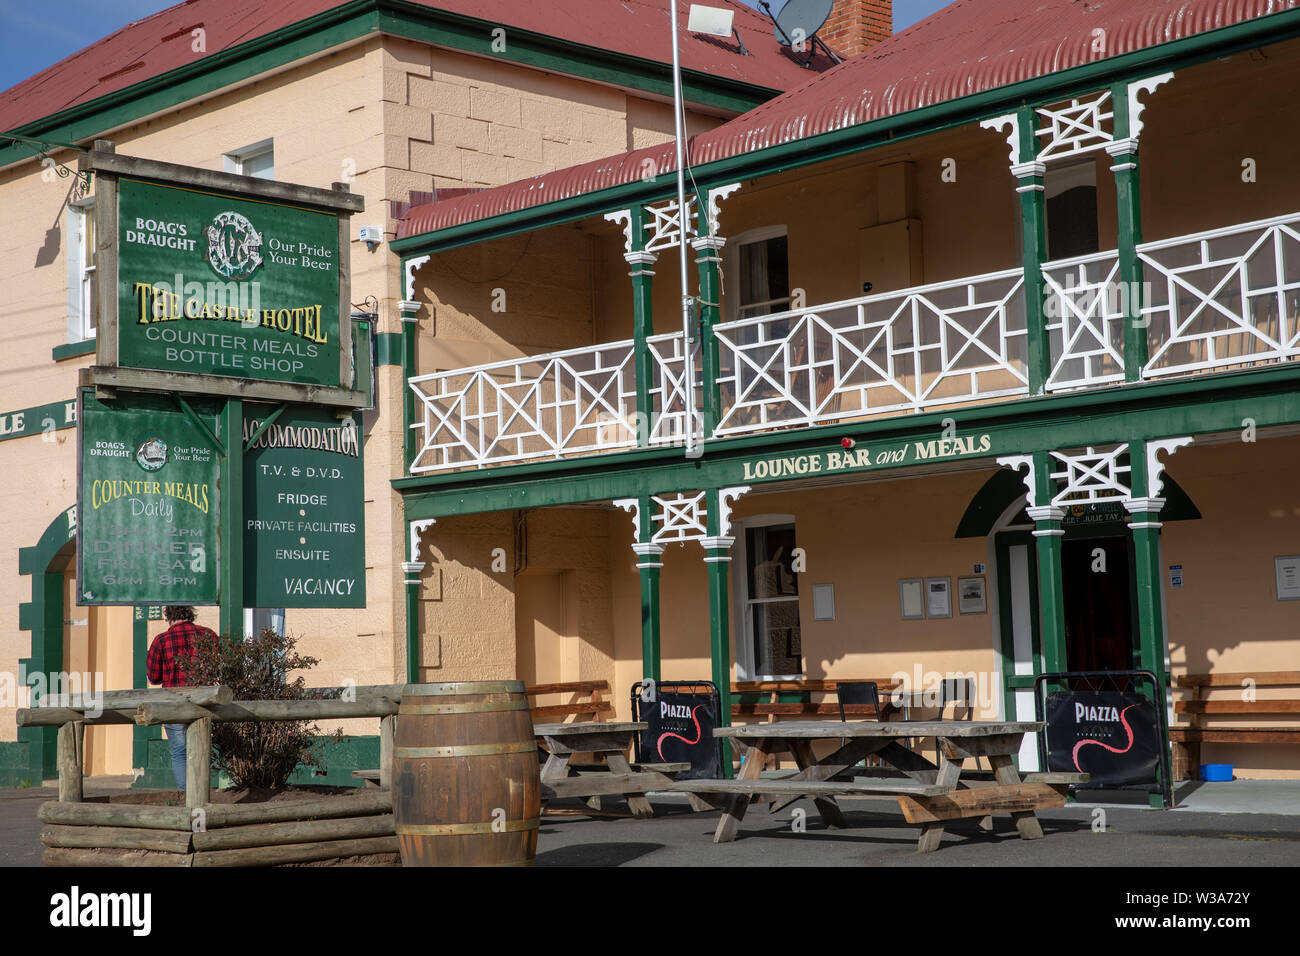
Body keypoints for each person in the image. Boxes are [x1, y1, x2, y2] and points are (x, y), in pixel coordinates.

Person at [145, 606, 216, 791]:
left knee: (179, 753)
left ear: (168, 617)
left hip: (173, 704)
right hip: (203, 702)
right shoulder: (208, 635)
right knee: (201, 750)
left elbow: (153, 677)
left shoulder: (161, 640)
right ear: (190, 614)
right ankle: (201, 793)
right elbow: (219, 667)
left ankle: (186, 796)